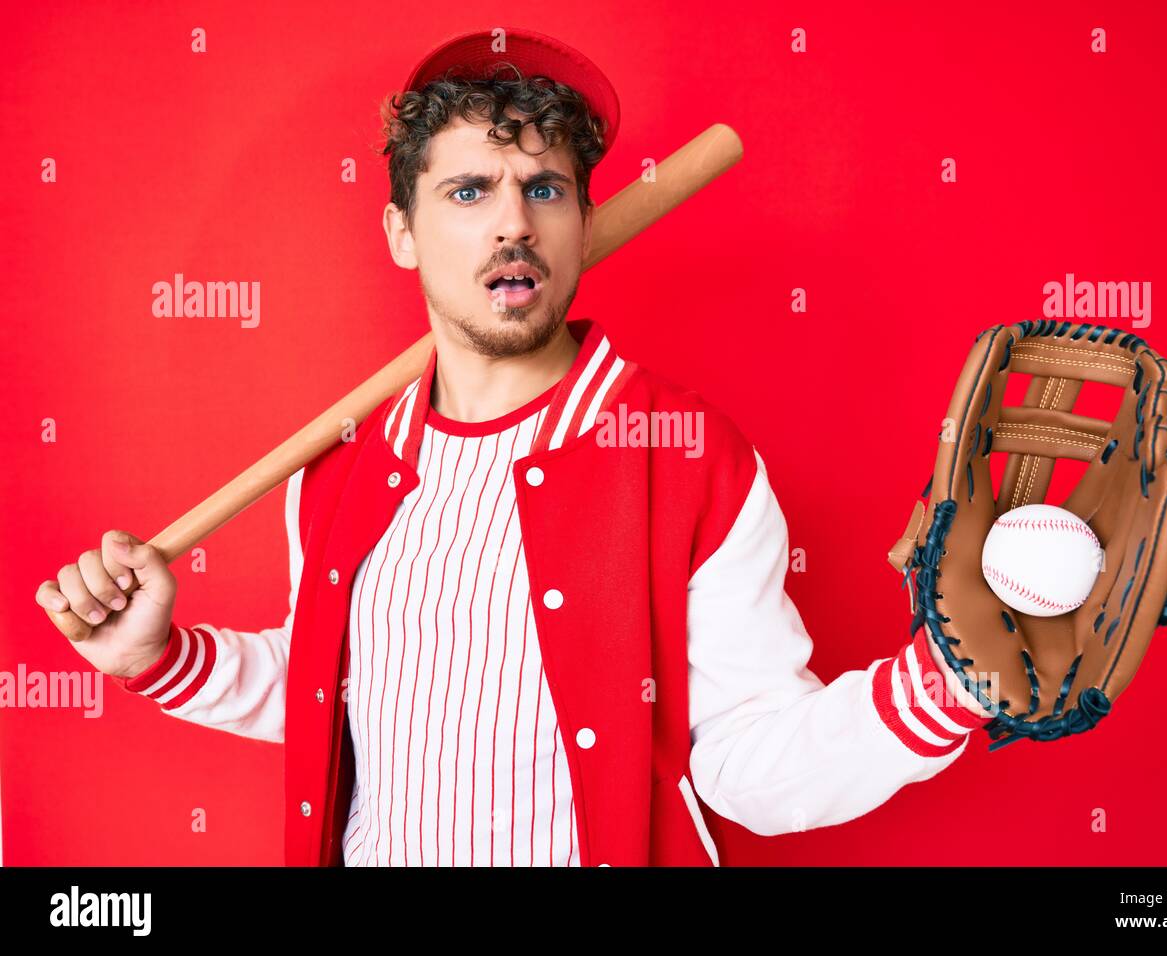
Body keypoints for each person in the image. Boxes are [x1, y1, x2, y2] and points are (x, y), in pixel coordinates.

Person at [34, 27, 989, 867]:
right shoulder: (338, 471)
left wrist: (944, 689)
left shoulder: (690, 460)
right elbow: (352, 693)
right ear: (402, 232)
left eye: (545, 188)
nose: (512, 223)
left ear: (580, 222)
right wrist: (158, 658)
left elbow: (748, 760)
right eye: (468, 190)